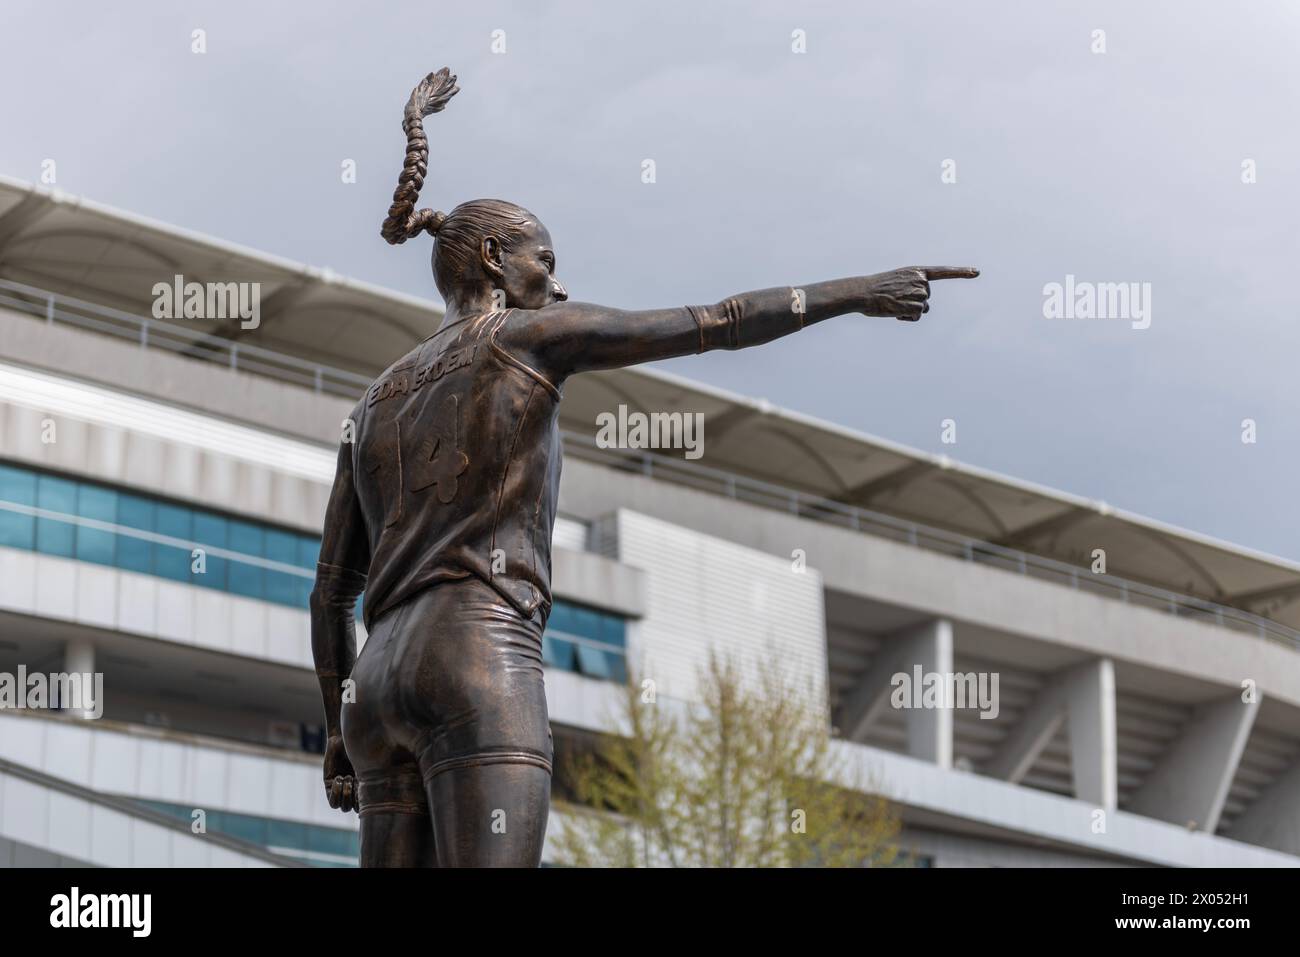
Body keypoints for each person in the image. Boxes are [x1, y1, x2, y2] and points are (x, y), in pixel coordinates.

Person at [310, 67, 978, 867]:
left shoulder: (375, 400)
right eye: (542, 261)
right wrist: (861, 290)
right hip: (477, 659)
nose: (556, 283)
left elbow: (331, 593)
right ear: (492, 257)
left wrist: (340, 727)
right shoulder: (528, 339)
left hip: (376, 685)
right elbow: (720, 321)